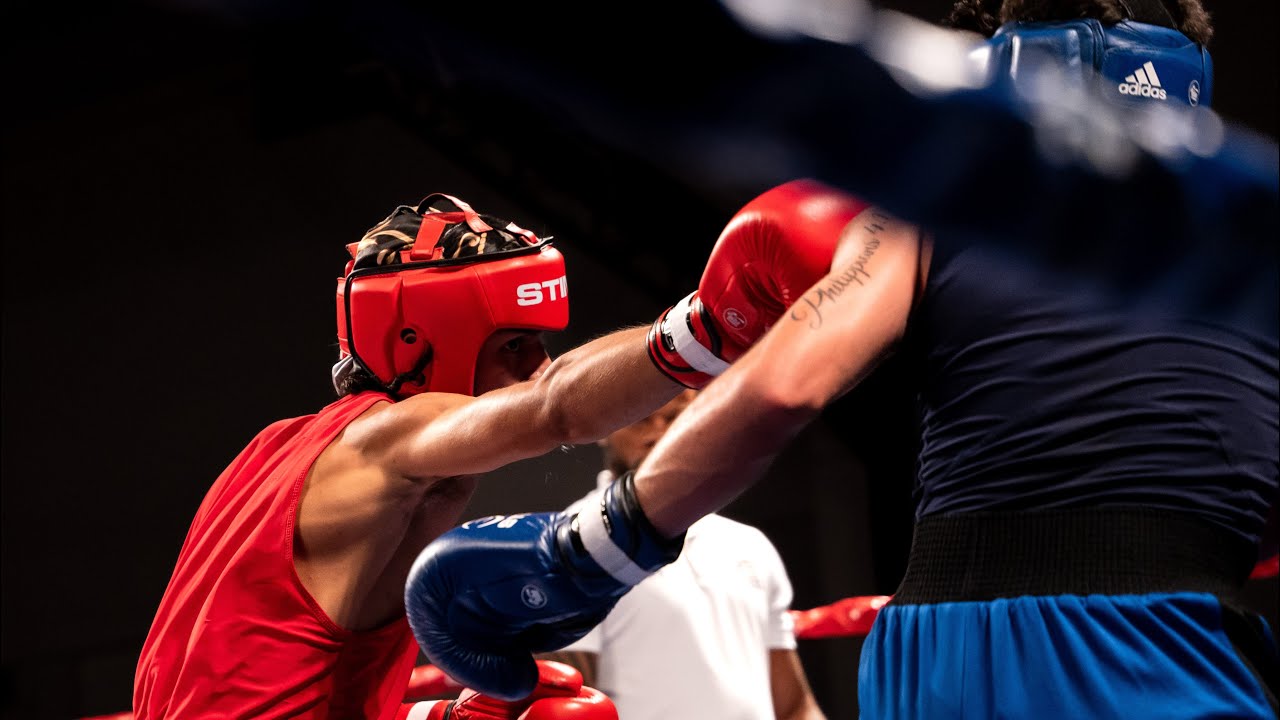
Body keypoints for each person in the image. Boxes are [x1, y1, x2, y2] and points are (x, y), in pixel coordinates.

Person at [405, 2, 1280, 718]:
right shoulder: (1253, 235)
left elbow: (789, 379)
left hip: (934, 654)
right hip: (1161, 635)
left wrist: (594, 550)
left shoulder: (935, 209)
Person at [131, 190, 826, 718]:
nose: (538, 364)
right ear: (419, 340)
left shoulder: (274, 447)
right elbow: (558, 406)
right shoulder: (389, 439)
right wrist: (709, 326)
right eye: (513, 345)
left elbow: (241, 673)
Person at [542, 389, 826, 720]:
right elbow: (563, 708)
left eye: (674, 417)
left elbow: (794, 707)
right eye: (641, 419)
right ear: (605, 428)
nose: (658, 433)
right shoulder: (574, 542)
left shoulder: (750, 546)